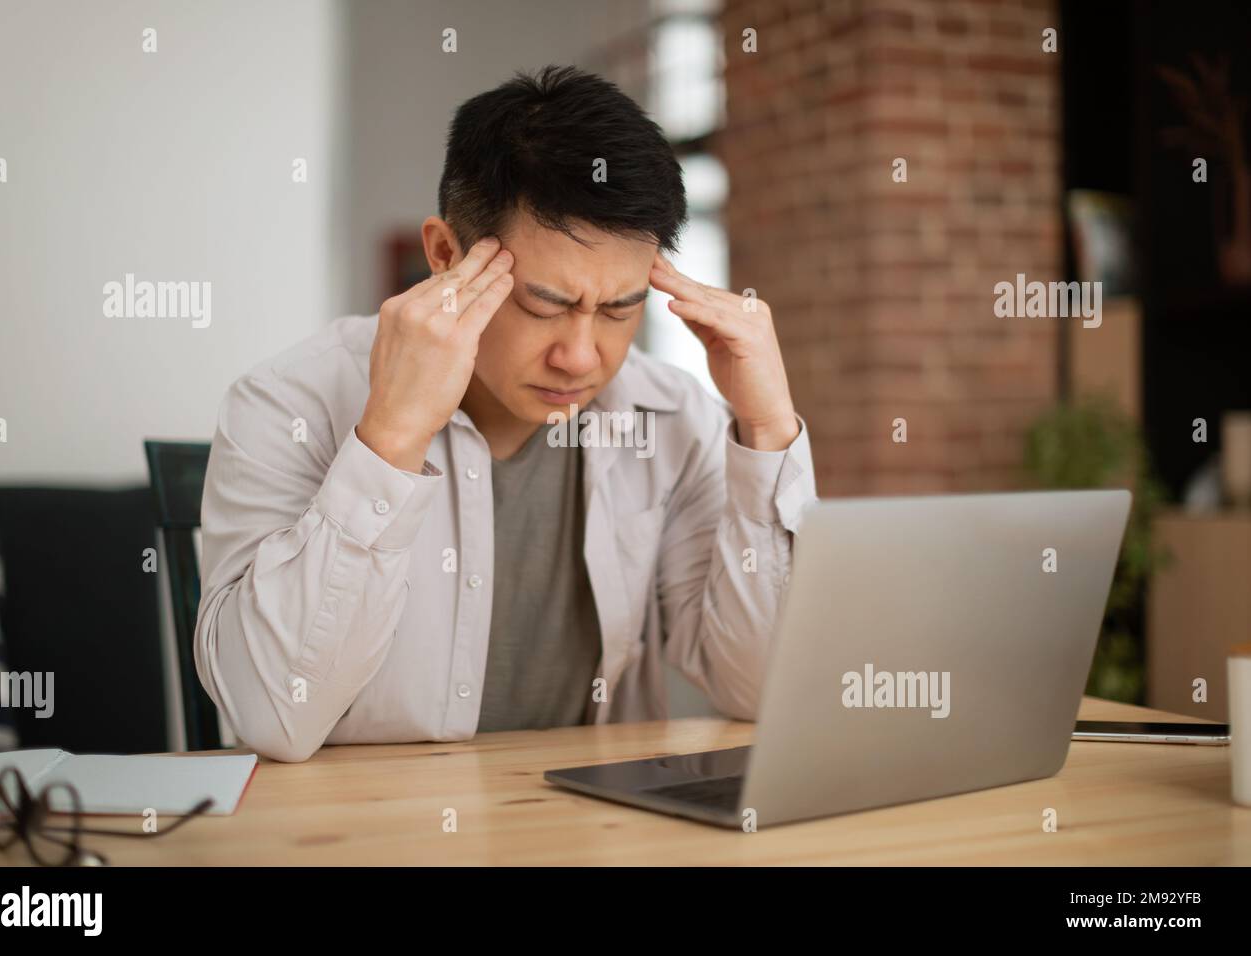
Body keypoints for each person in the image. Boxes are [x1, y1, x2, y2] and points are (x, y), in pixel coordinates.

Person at [195, 65, 816, 762]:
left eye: (620, 310)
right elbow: (273, 715)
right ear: (443, 255)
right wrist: (390, 440)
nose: (581, 357)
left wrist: (766, 432)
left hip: (594, 830)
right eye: (544, 305)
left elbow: (762, 690)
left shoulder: (669, 416)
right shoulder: (286, 403)